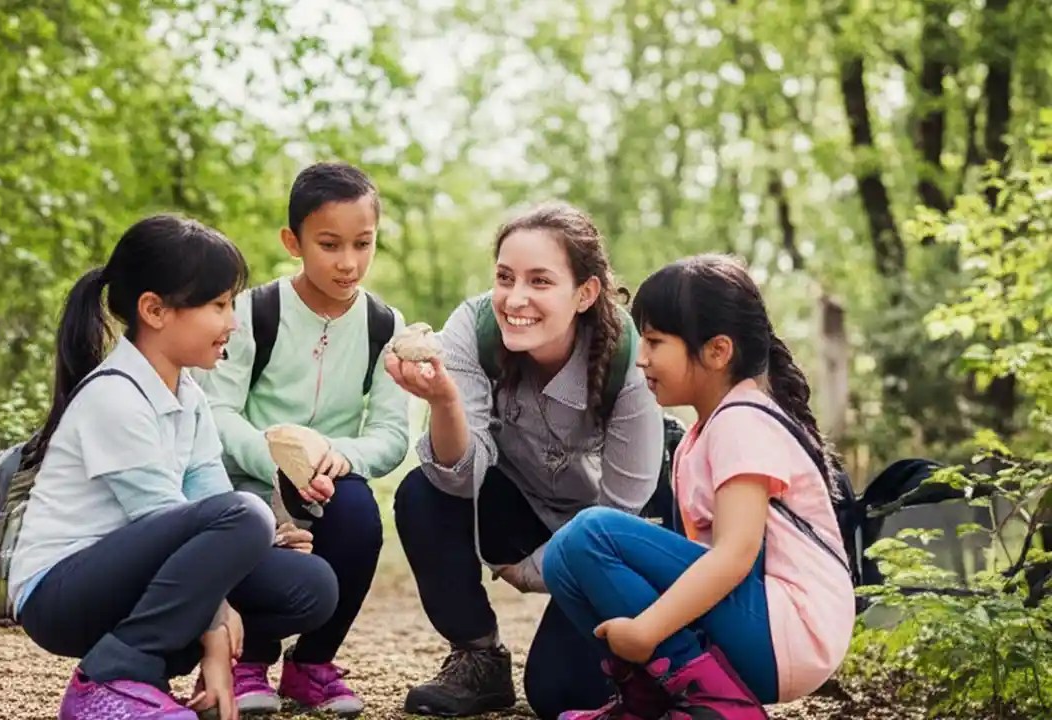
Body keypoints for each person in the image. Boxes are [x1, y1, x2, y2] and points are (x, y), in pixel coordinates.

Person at [7, 214, 339, 720]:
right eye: (219, 305)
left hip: (132, 572)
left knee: (309, 584)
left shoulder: (188, 395)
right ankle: (106, 681)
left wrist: (261, 542)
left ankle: (146, 676)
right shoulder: (115, 396)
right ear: (155, 310)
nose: (232, 321)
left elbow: (207, 501)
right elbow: (169, 522)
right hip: (60, 592)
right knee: (246, 515)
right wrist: (216, 645)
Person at [542, 254, 856, 720]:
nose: (641, 357)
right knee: (561, 557)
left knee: (592, 534)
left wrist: (647, 631)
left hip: (788, 629)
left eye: (654, 341)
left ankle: (717, 702)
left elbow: (734, 555)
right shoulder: (704, 432)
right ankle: (650, 699)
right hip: (763, 627)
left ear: (717, 351)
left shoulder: (742, 421)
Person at [385, 202, 664, 720]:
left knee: (562, 695)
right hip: (515, 508)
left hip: (599, 535)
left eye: (540, 281)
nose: (516, 299)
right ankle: (478, 656)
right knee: (421, 492)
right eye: (505, 277)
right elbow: (461, 477)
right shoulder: (472, 328)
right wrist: (444, 402)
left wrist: (532, 571)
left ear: (585, 293)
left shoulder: (629, 357)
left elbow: (620, 512)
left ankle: (654, 657)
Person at [199, 162, 409, 716]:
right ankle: (251, 660)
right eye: (329, 244)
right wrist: (275, 465)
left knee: (361, 518)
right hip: (252, 475)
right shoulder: (252, 312)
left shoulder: (384, 326)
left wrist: (340, 456)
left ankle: (312, 664)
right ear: (293, 242)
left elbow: (390, 434)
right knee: (253, 521)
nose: (349, 262)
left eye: (363, 244)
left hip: (329, 480)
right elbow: (217, 411)